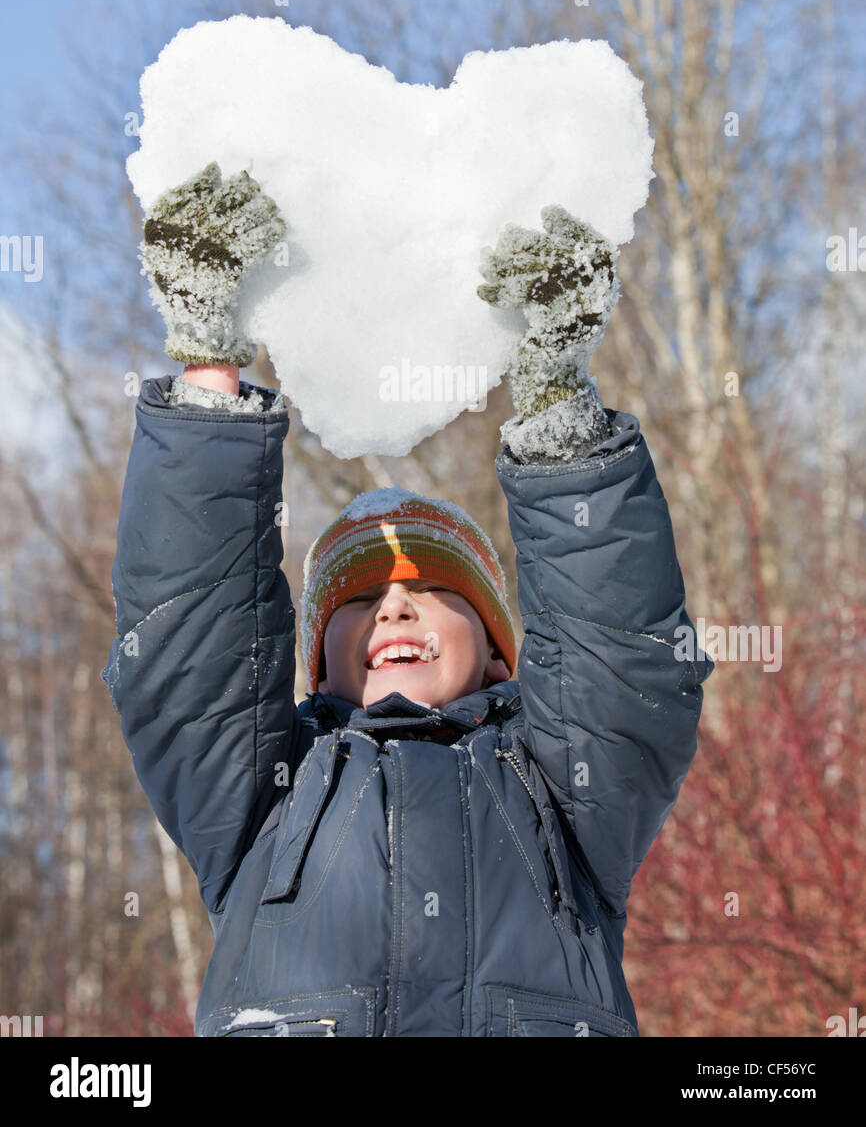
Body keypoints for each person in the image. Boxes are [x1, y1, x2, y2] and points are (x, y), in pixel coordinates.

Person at [104, 162, 713, 1037]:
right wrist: (208, 368)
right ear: (314, 666)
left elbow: (620, 656)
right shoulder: (262, 799)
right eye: (358, 603)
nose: (393, 609)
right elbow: (190, 644)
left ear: (503, 649)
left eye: (430, 589)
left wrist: (556, 405)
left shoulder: (567, 798)